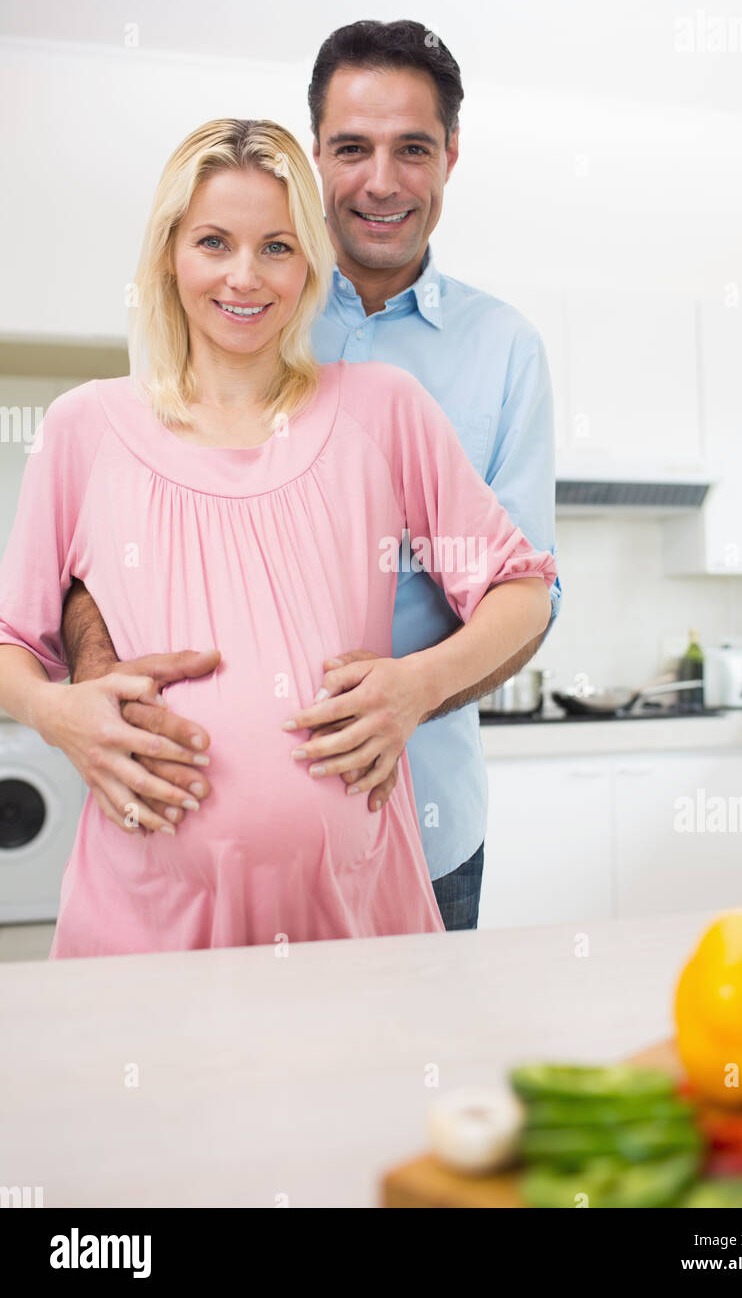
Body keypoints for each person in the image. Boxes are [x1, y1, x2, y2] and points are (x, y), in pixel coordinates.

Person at [0, 118, 557, 958]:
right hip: (146, 910)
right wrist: (55, 711)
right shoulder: (86, 427)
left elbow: (522, 589)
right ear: (168, 256)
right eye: (213, 242)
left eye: (277, 247)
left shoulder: (381, 407)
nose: (243, 276)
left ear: (309, 268)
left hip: (355, 907)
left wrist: (413, 687)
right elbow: (11, 639)